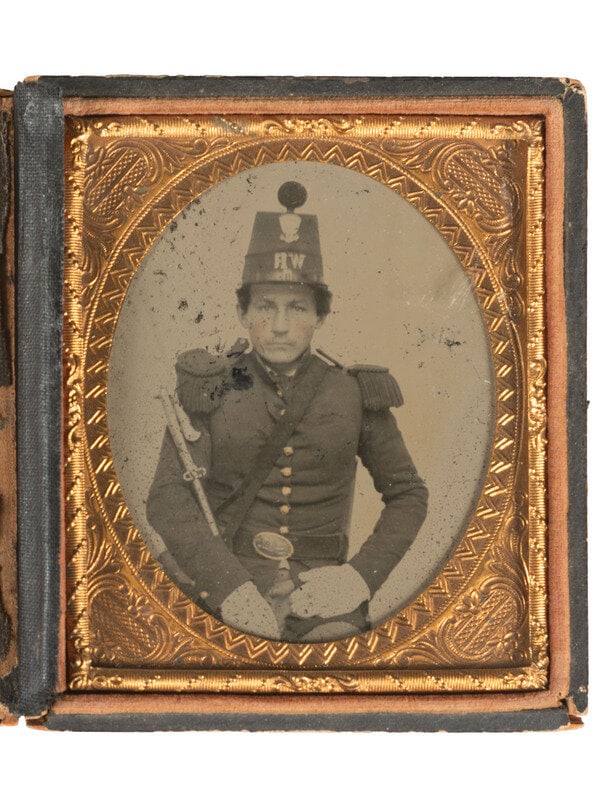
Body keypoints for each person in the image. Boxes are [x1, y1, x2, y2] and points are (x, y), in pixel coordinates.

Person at [147, 181, 428, 642]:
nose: (279, 326)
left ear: (320, 315)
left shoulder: (355, 391)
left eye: (297, 307)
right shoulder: (209, 384)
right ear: (243, 312)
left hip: (322, 593)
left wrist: (358, 578)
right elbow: (167, 500)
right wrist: (230, 589)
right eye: (265, 306)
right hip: (225, 579)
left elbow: (409, 494)